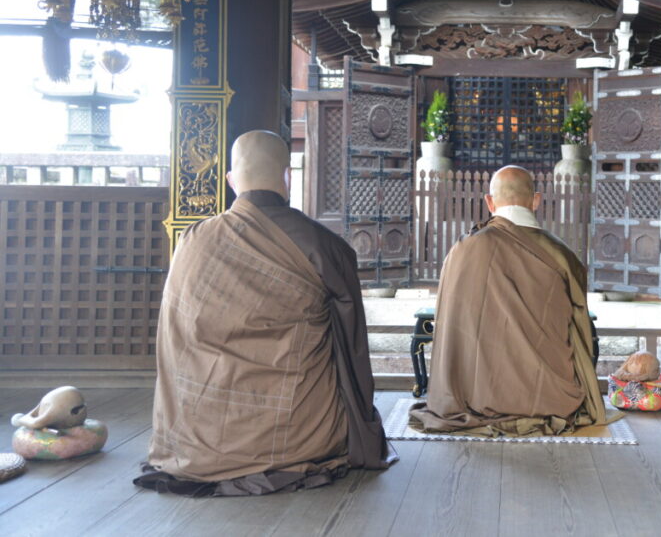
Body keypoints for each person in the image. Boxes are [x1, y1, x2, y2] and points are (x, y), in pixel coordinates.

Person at [135, 130, 394, 496]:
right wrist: (363, 422)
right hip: (295, 438)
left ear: (230, 180)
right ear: (287, 176)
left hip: (194, 440)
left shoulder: (192, 240)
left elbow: (172, 342)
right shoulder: (324, 245)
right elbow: (351, 346)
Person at [409, 165, 611, 436]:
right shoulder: (563, 256)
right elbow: (578, 326)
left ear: (489, 202)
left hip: (474, 396)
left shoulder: (464, 250)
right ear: (536, 200)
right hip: (548, 397)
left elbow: (451, 324)